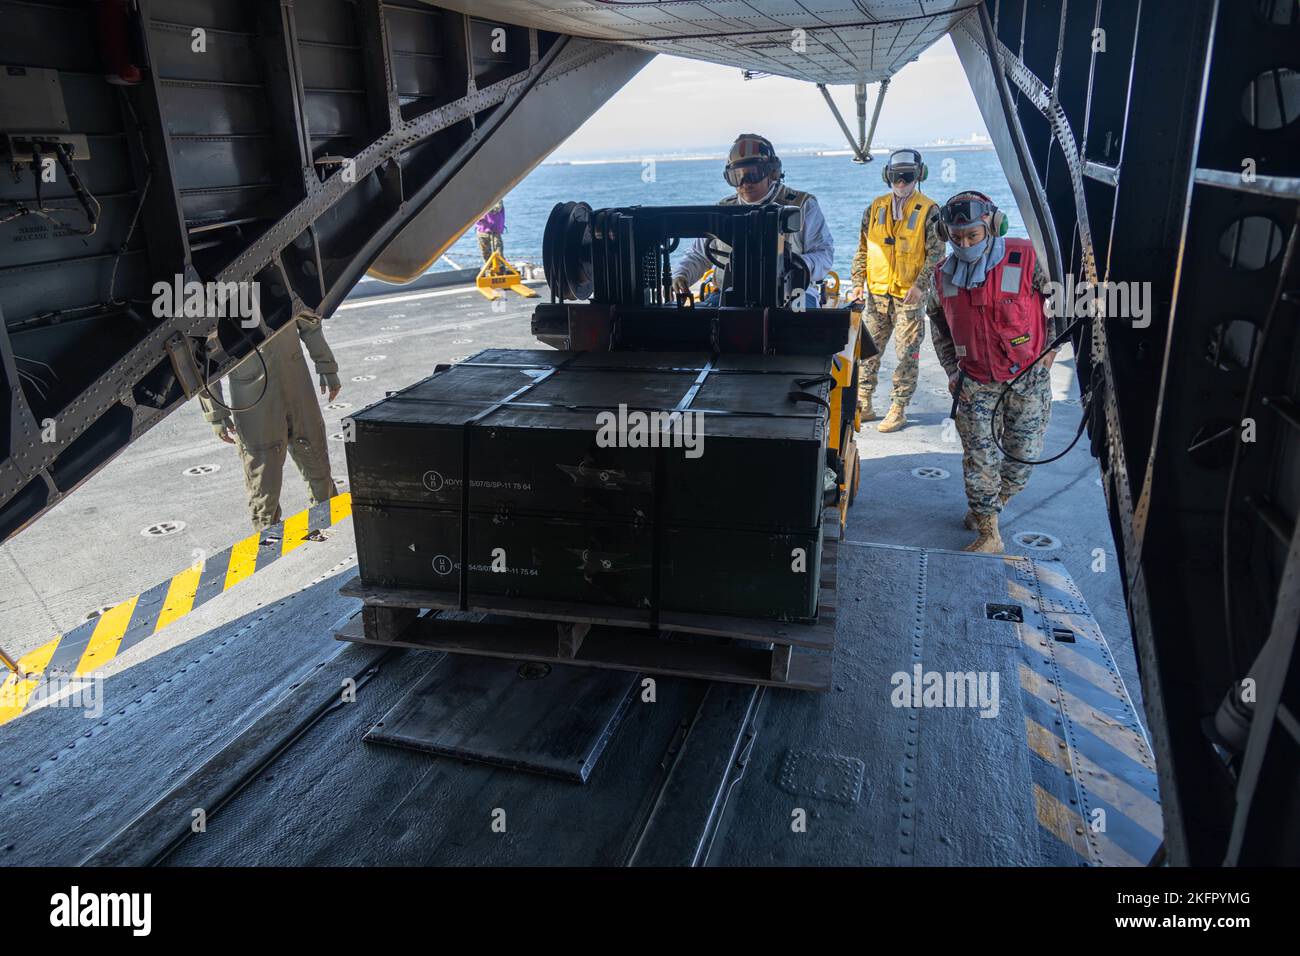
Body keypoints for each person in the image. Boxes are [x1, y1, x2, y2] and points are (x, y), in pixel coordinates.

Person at [927, 191, 1056, 553]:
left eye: (972, 235)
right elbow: (937, 322)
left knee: (1022, 457)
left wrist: (1053, 347)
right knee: (980, 460)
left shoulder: (1026, 257)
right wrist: (952, 369)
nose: (964, 244)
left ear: (992, 227)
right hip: (975, 384)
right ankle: (988, 531)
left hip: (1027, 378)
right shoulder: (942, 276)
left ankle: (991, 506)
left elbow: (1061, 299)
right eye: (956, 237)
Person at [200, 310, 342, 533]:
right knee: (264, 488)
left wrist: (326, 366)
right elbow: (202, 358)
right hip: (253, 400)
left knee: (319, 467)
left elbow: (309, 321)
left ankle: (332, 533)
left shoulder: (274, 279)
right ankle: (269, 549)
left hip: (297, 387)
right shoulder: (213, 296)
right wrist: (216, 413)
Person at [672, 133, 833, 309]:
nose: (745, 183)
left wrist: (797, 266)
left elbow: (823, 254)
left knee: (800, 330)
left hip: (794, 292)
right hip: (729, 293)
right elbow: (699, 254)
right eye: (737, 176)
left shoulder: (803, 205)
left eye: (753, 174)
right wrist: (682, 275)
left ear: (772, 172)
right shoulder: (722, 210)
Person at [849, 148, 944, 433]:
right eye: (896, 177)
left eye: (907, 177)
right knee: (867, 352)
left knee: (906, 355)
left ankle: (898, 408)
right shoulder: (875, 208)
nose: (901, 183)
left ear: (918, 176)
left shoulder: (930, 210)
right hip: (877, 295)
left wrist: (920, 285)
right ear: (886, 176)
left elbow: (937, 253)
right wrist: (857, 283)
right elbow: (863, 249)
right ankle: (864, 402)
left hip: (908, 297)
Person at [476, 201, 505, 269]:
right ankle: (489, 268)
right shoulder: (476, 199)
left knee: (498, 252)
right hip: (481, 229)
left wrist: (483, 211)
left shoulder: (497, 198)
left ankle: (500, 269)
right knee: (485, 252)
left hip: (494, 230)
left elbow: (497, 209)